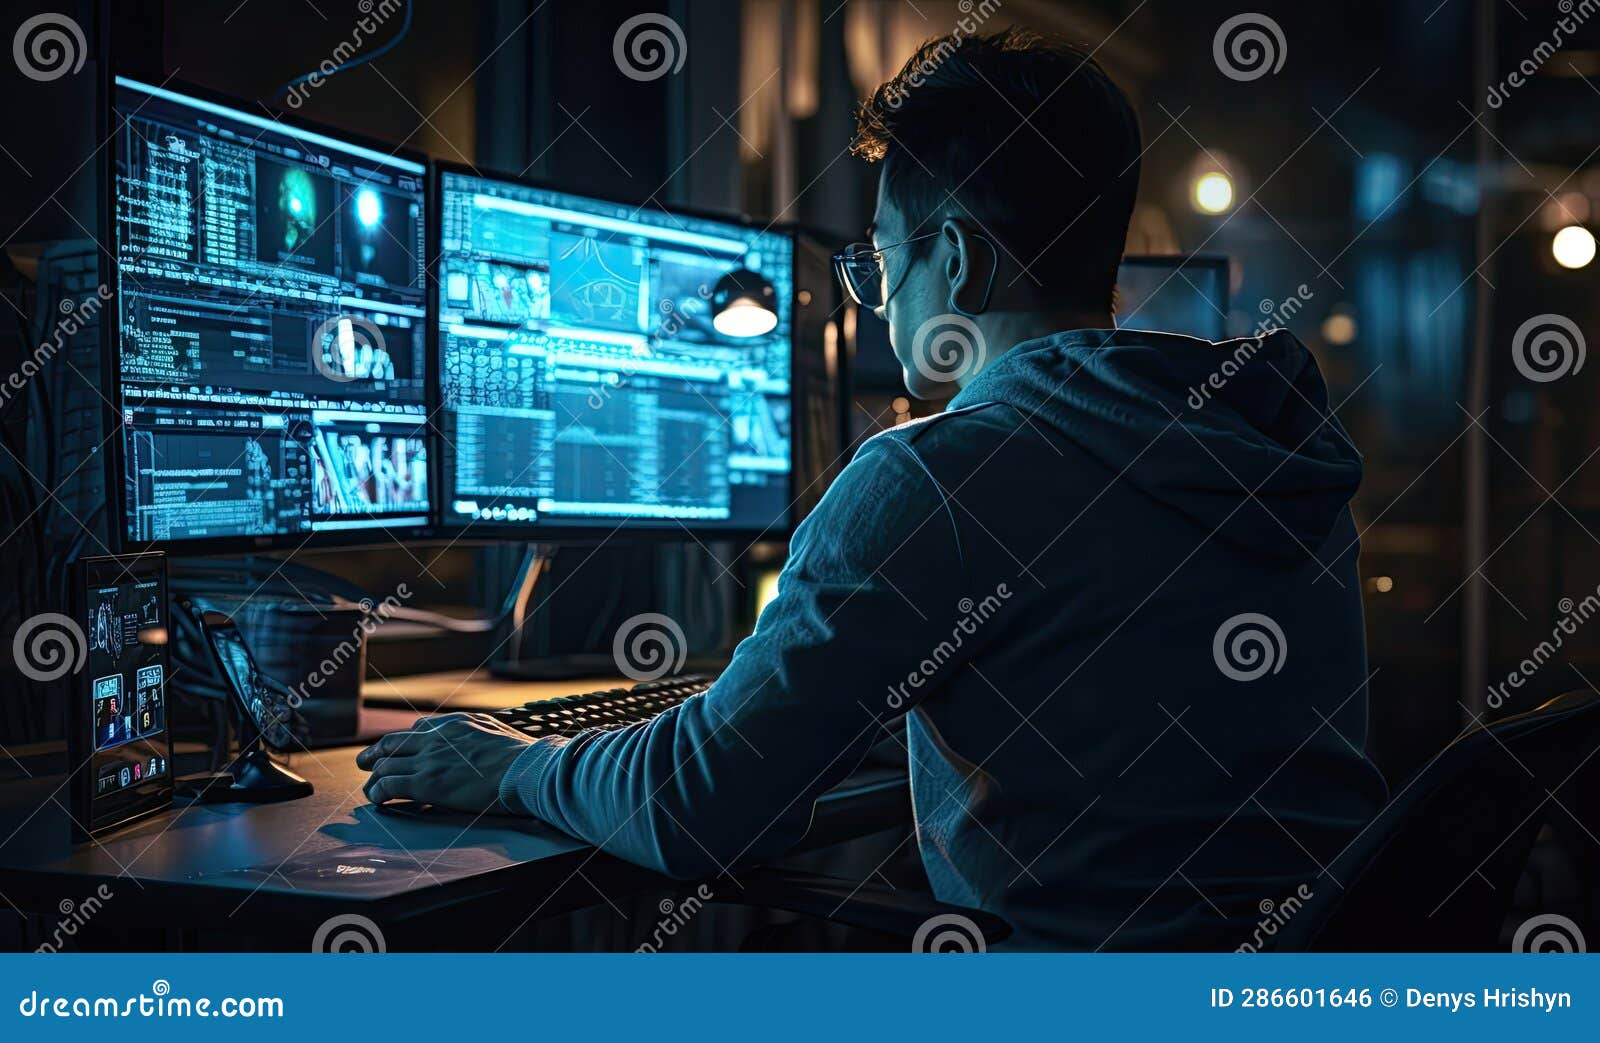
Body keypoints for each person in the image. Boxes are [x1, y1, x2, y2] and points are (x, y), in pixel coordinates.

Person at [358, 27, 1387, 951]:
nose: (880, 295)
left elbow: (700, 806)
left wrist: (510, 766)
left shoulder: (939, 471)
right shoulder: (1255, 438)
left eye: (882, 258)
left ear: (956, 263)